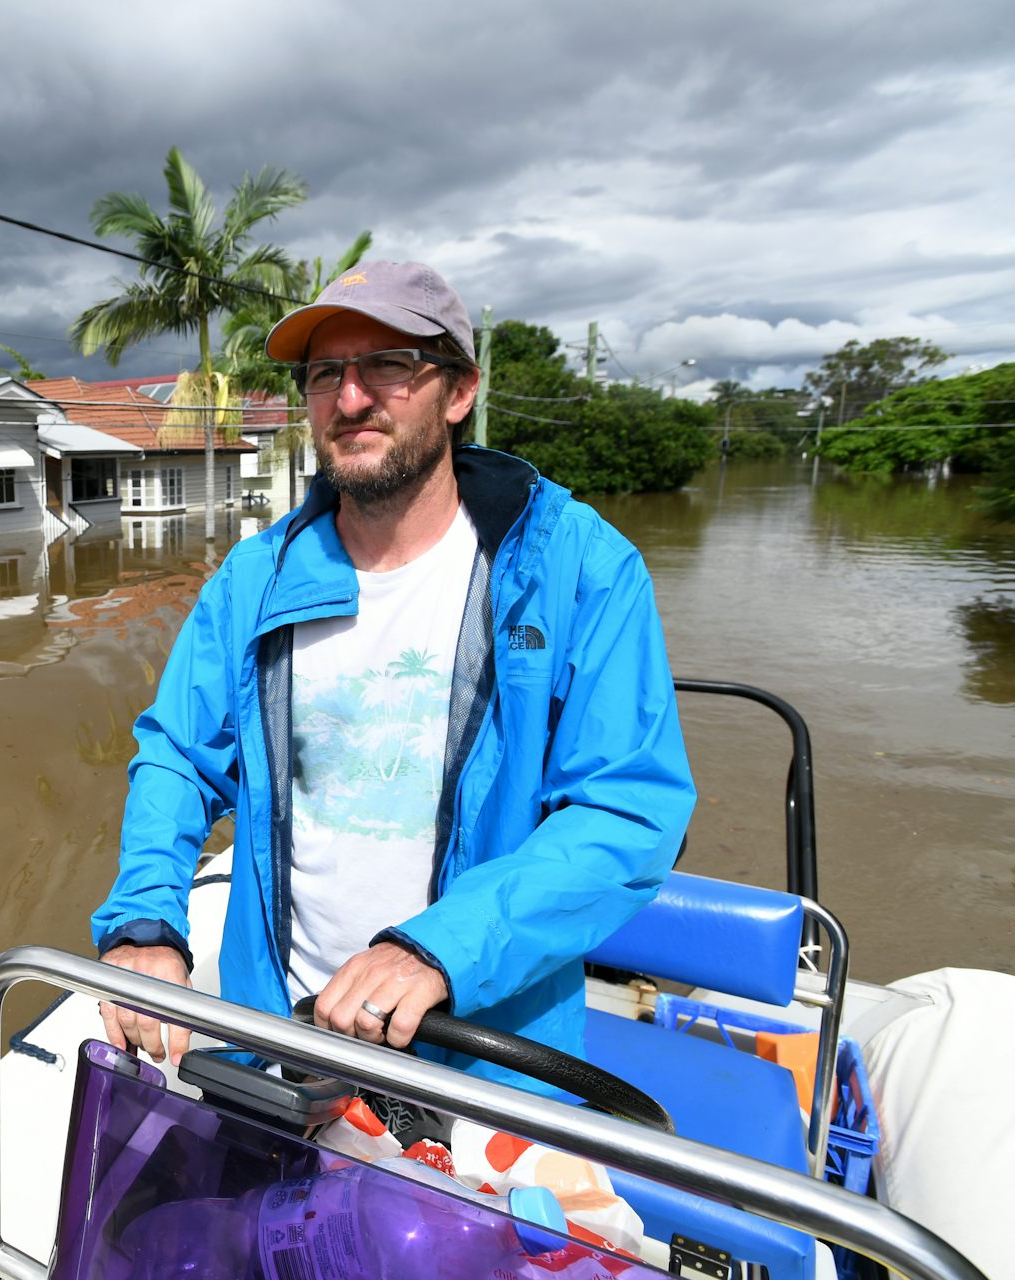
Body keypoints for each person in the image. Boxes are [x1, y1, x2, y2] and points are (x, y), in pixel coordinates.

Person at [90, 260, 696, 1094]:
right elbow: (177, 757)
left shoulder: (575, 568)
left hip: (485, 1045)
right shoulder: (255, 578)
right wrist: (147, 921)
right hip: (278, 1036)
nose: (349, 399)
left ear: (458, 392)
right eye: (326, 373)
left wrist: (437, 949)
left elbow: (628, 810)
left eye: (389, 366)